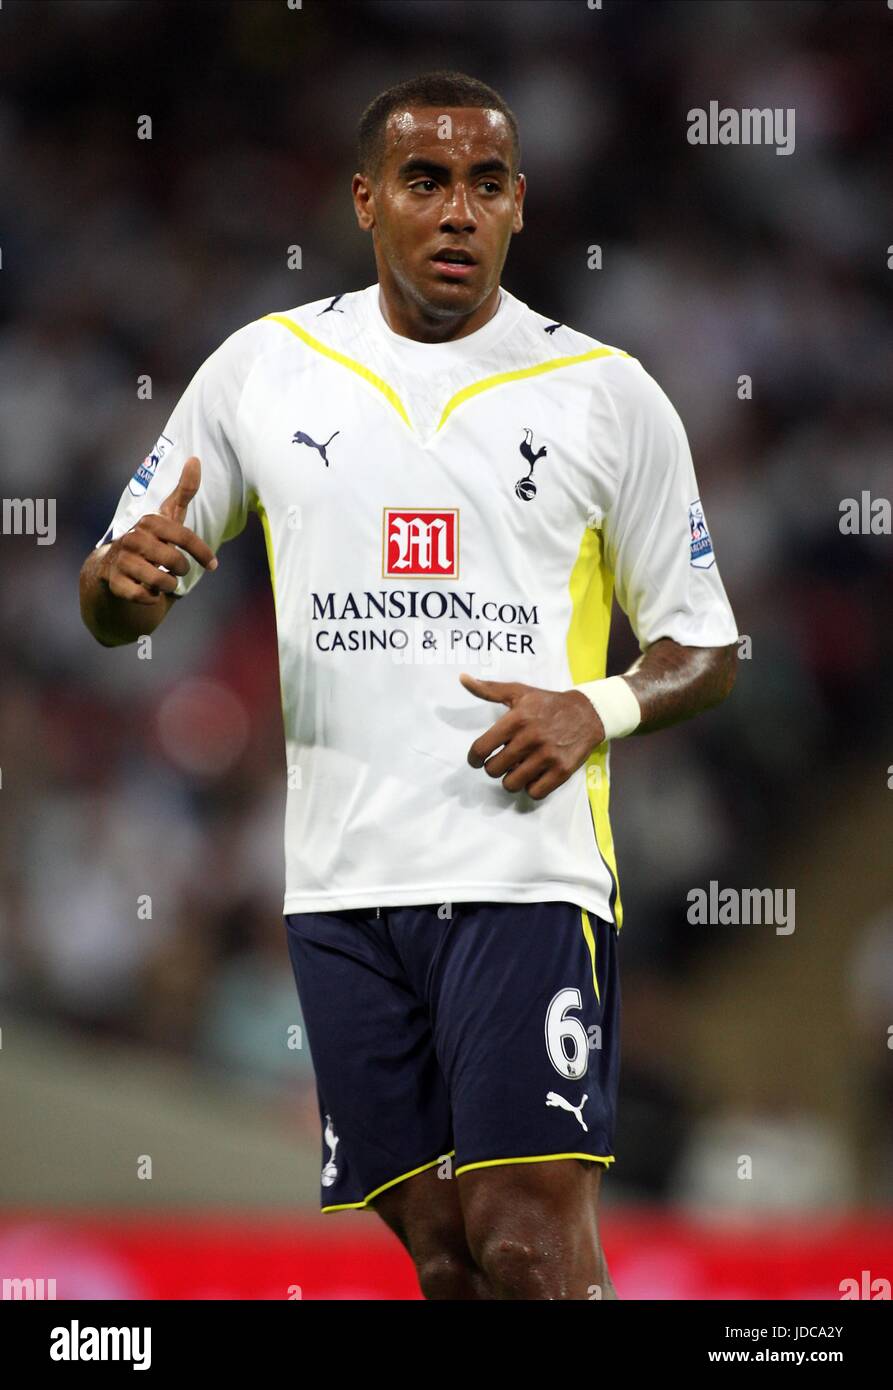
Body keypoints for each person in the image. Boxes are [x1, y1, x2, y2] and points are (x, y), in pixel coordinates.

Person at [79, 71, 738, 1300]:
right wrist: (125, 585)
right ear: (365, 199)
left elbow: (705, 646)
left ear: (520, 205)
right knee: (446, 1261)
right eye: (425, 181)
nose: (456, 211)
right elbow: (117, 598)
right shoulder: (263, 370)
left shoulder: (606, 393)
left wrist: (591, 707)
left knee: (525, 1240)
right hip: (342, 884)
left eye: (485, 185)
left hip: (522, 871)